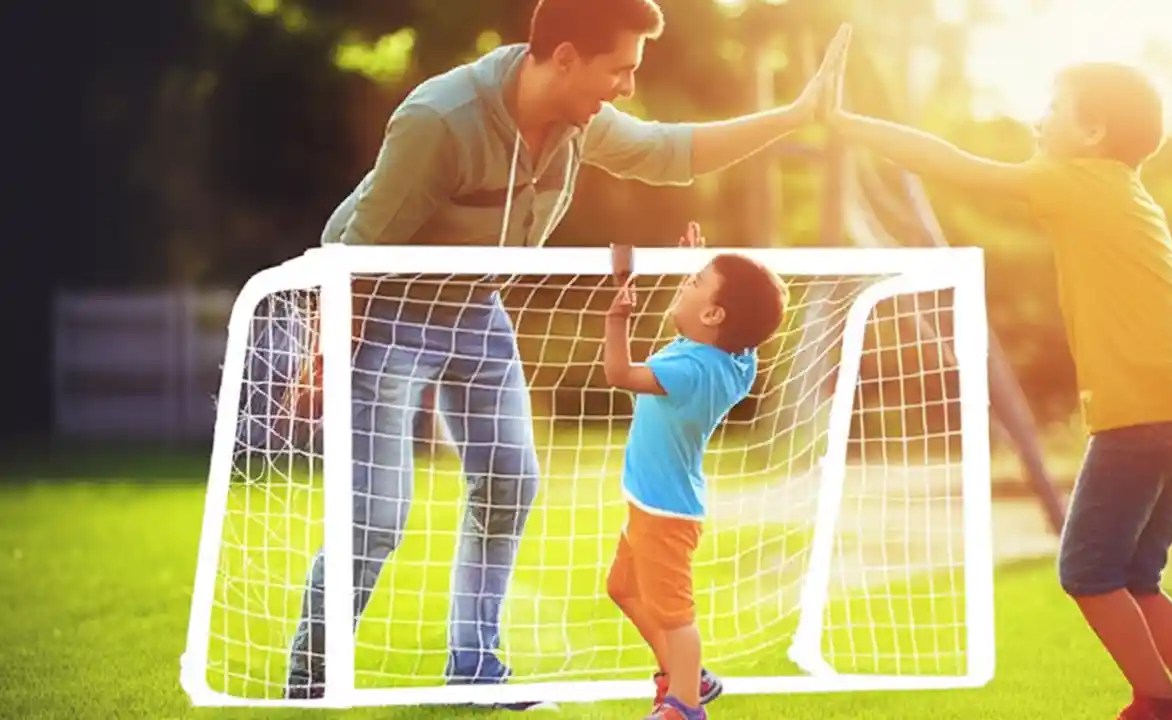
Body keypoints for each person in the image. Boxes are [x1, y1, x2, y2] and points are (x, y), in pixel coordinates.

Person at [284, 0, 853, 703]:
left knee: (510, 484)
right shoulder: (439, 121)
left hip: (474, 307)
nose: (626, 88)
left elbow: (674, 152)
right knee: (377, 515)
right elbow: (358, 255)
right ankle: (306, 680)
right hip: (387, 307)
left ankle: (475, 673)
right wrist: (322, 358)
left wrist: (795, 116)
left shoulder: (578, 122)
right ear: (564, 59)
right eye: (620, 70)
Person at [831, 63, 1172, 720]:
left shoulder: (1071, 179)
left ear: (1092, 132)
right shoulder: (1130, 192)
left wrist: (848, 124)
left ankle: (1161, 706)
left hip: (1136, 421)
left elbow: (951, 163)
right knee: (1139, 580)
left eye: (1052, 108)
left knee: (1086, 572)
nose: (1037, 120)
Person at [603, 224, 788, 720]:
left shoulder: (692, 372)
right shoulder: (733, 361)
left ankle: (684, 704)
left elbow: (619, 375)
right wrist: (697, 270)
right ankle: (689, 676)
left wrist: (616, 317)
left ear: (712, 314)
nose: (684, 285)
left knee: (675, 614)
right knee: (621, 587)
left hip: (664, 513)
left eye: (692, 283)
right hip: (653, 502)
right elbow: (715, 323)